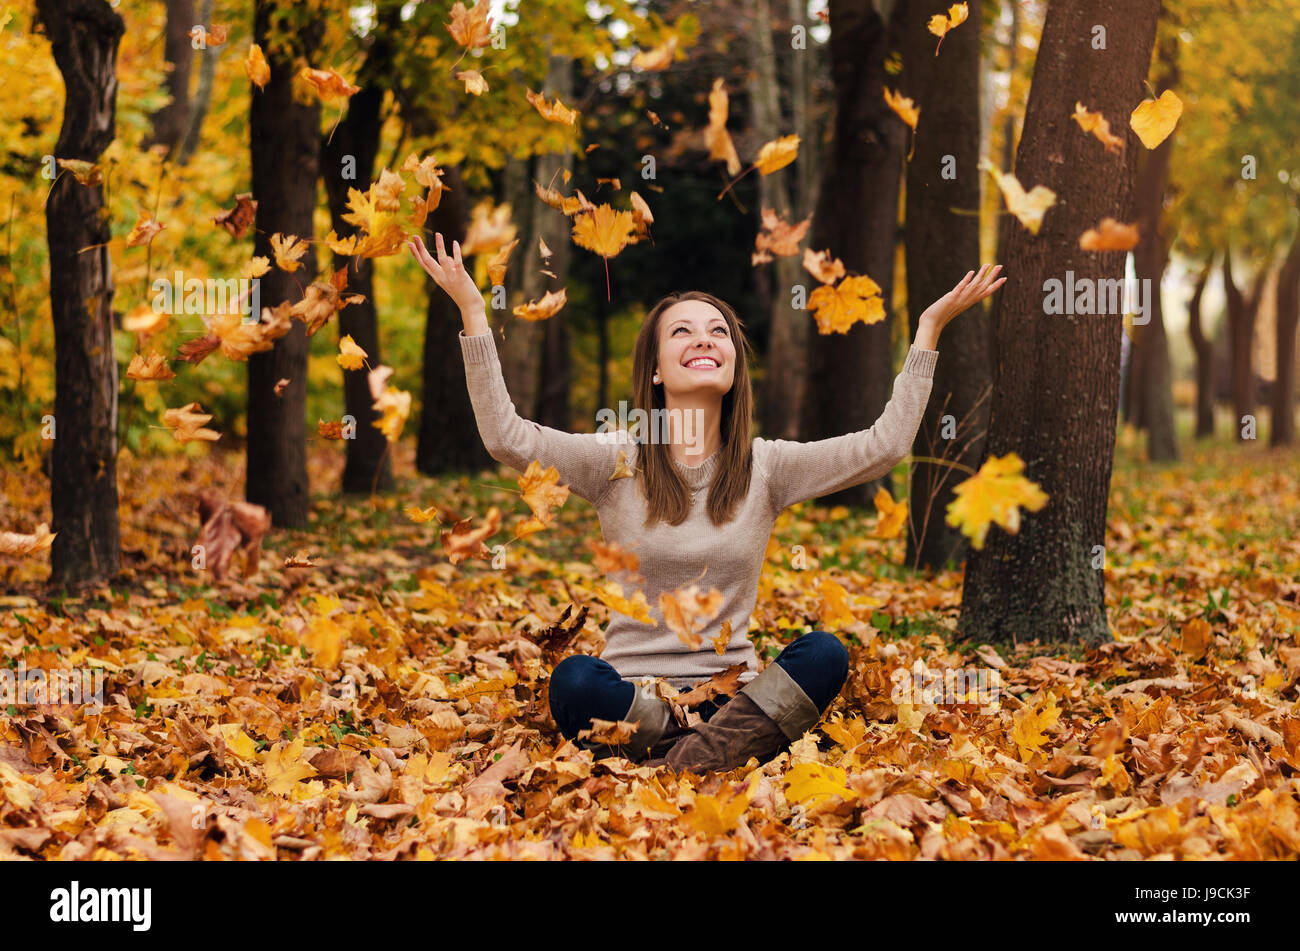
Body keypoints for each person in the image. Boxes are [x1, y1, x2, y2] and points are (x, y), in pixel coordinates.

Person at [408, 232, 1005, 773]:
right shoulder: (617, 459)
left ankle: (680, 760)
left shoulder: (765, 465)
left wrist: (928, 331)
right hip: (634, 699)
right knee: (573, 682)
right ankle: (701, 750)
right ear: (659, 371)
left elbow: (885, 446)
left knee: (823, 654)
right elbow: (506, 437)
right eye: (683, 331)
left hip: (734, 696)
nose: (704, 339)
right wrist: (471, 310)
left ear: (734, 364)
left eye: (718, 331)